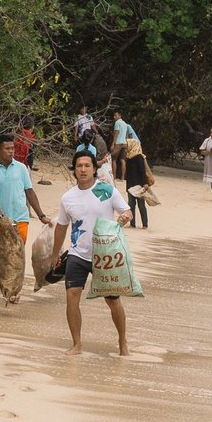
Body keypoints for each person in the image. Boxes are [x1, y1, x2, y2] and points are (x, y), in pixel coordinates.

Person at [51, 149, 132, 355]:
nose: (83, 169)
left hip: (104, 255)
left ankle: (122, 342)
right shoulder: (68, 197)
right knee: (72, 296)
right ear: (74, 170)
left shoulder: (107, 190)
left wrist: (124, 217)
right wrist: (55, 254)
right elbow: (61, 227)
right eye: (79, 166)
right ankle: (77, 344)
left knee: (112, 300)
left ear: (94, 169)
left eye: (87, 165)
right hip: (77, 254)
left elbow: (126, 211)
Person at [0, 133, 48, 306]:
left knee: (17, 255)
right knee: (4, 255)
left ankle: (15, 291)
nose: (11, 151)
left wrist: (41, 215)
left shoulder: (21, 168)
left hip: (21, 218)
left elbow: (29, 191)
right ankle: (6, 289)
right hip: (1, 221)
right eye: (7, 148)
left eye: (12, 148)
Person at [111, 108, 155, 214]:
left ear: (119, 115)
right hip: (129, 144)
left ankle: (114, 176)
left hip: (130, 144)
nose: (114, 117)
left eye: (115, 115)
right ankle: (122, 177)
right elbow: (127, 136)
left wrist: (114, 143)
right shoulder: (125, 124)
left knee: (114, 159)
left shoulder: (119, 124)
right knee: (123, 160)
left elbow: (121, 134)